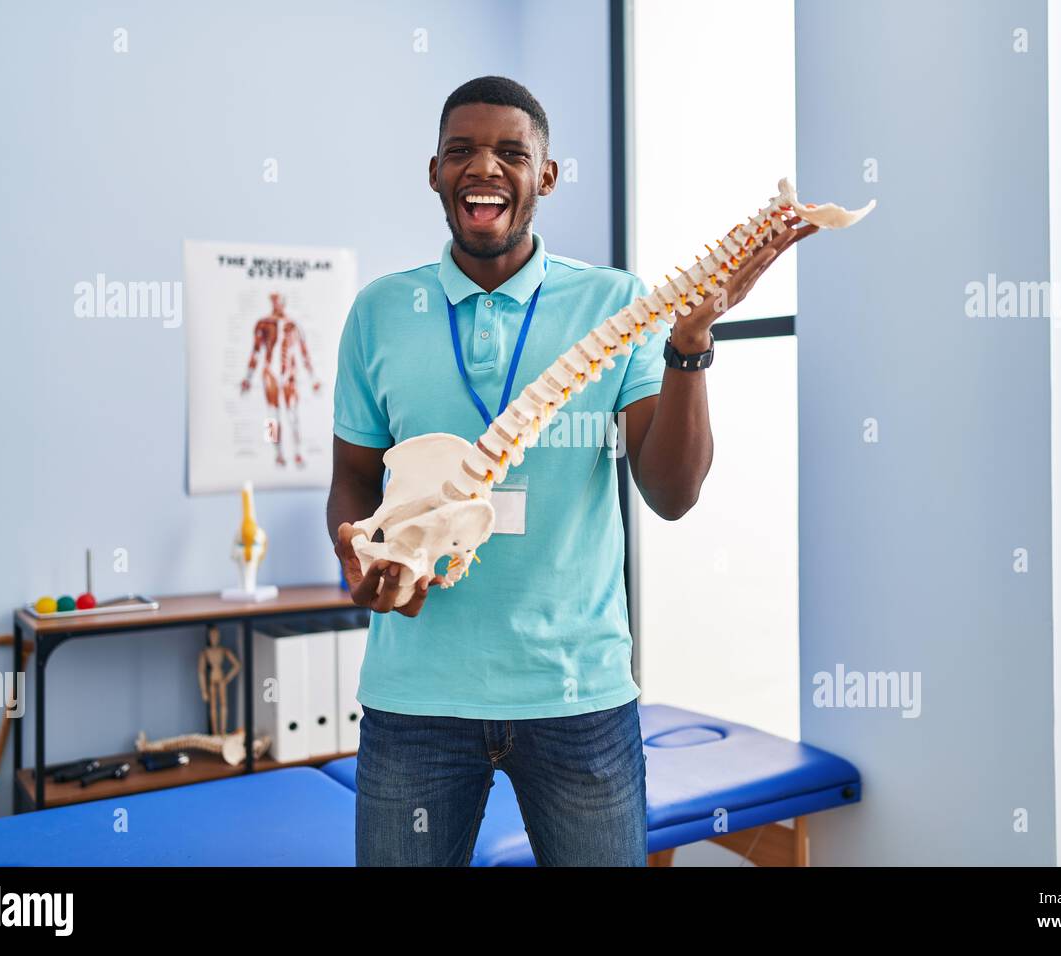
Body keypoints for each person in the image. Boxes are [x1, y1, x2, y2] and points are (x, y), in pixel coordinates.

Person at [326, 75, 817, 866]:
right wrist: (357, 552)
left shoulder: (617, 304)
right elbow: (353, 480)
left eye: (510, 153)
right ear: (434, 173)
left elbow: (672, 492)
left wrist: (688, 346)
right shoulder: (381, 312)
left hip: (577, 696)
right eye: (462, 151)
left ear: (545, 177)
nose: (484, 167)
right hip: (415, 698)